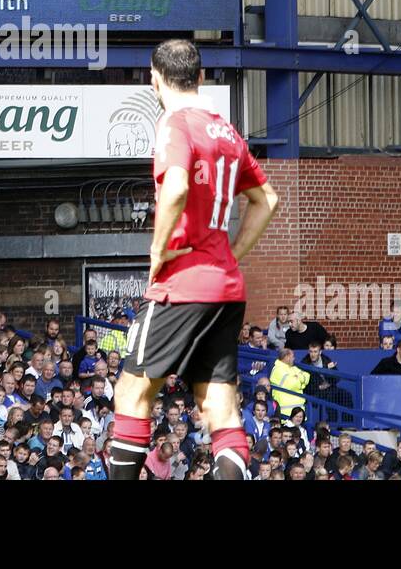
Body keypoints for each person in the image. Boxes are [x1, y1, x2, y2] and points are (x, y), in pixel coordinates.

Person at [108, 40, 279, 482]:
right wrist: (231, 256)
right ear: (201, 77)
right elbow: (267, 200)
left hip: (181, 283)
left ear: (155, 78)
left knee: (131, 394)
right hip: (225, 287)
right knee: (219, 406)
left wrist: (158, 249)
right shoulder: (226, 131)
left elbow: (177, 187)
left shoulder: (174, 123)